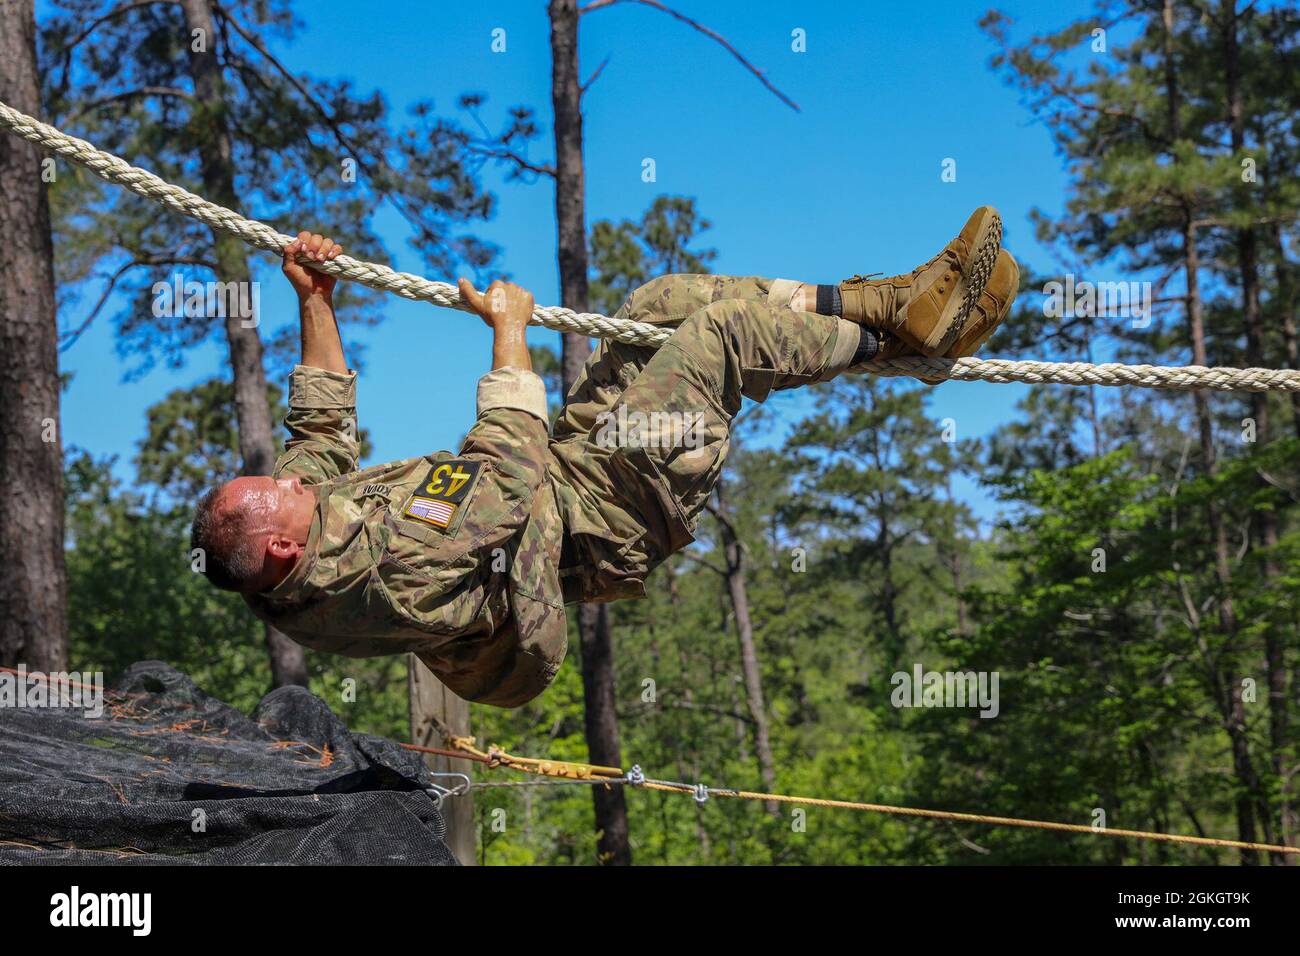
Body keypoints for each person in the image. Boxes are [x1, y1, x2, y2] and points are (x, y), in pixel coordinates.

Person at [191, 206, 1019, 706]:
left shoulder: (292, 544)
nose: (295, 478)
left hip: (566, 472)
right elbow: (505, 477)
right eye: (285, 491)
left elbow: (321, 430)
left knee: (657, 304)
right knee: (721, 337)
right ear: (284, 549)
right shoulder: (383, 570)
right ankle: (903, 326)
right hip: (608, 515)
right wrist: (509, 335)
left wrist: (315, 300)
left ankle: (886, 307)